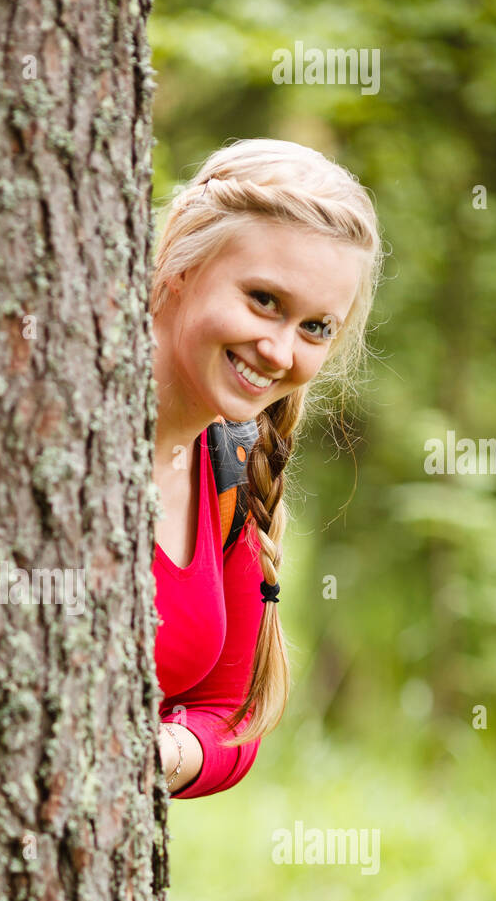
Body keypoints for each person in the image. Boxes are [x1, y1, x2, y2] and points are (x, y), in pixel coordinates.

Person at [151, 139, 383, 796]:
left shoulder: (233, 465)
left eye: (314, 328)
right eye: (262, 300)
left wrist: (155, 755)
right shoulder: (56, 430)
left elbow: (232, 711)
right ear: (179, 265)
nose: (279, 350)